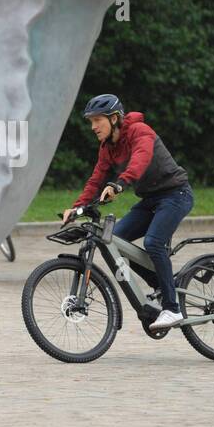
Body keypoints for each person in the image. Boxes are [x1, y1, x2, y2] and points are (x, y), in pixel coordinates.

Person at [63, 94, 194, 331]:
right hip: (150, 200)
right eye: (90, 122)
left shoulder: (139, 131)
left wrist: (119, 184)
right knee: (113, 240)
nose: (93, 127)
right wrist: (76, 208)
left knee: (154, 242)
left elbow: (140, 160)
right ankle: (163, 286)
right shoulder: (107, 148)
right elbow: (95, 180)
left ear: (114, 119)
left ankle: (173, 309)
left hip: (176, 195)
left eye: (97, 121)